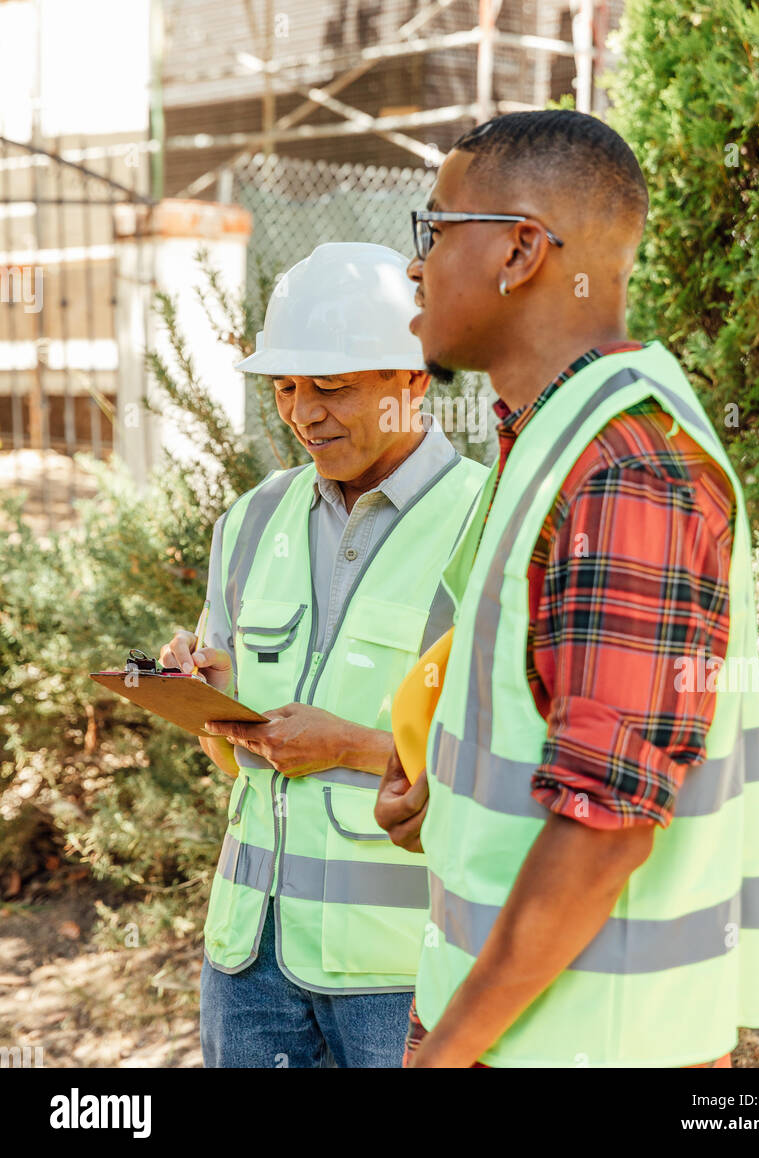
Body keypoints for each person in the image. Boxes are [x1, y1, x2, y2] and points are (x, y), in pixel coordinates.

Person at [375, 109, 759, 1068]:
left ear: (520, 251)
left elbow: (605, 829)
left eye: (434, 229)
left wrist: (440, 1059)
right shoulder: (551, 442)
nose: (416, 266)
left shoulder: (625, 470)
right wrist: (446, 800)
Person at [161, 242, 486, 1068]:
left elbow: (521, 764)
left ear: (413, 381)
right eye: (287, 388)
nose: (305, 413)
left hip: (402, 969)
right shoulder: (248, 521)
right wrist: (205, 700)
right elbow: (236, 765)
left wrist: (351, 747)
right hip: (247, 960)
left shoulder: (491, 522)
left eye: (332, 388)